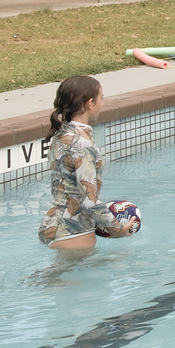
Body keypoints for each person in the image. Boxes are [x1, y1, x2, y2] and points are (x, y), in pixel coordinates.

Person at [38, 75, 141, 250]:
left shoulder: (60, 135)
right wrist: (118, 229)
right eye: (101, 98)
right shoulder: (82, 144)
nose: (102, 103)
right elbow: (89, 201)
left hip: (55, 222)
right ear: (90, 103)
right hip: (73, 229)